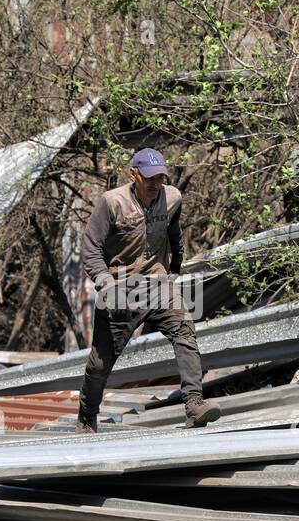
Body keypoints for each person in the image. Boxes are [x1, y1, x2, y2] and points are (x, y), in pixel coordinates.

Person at [75, 148, 221, 433]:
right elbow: (90, 248)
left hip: (157, 281)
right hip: (120, 287)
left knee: (184, 330)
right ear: (134, 174)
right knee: (100, 363)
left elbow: (173, 232)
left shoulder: (172, 197)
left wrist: (175, 265)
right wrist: (105, 281)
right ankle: (87, 415)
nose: (156, 185)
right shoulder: (112, 203)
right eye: (150, 179)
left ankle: (194, 404)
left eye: (160, 178)